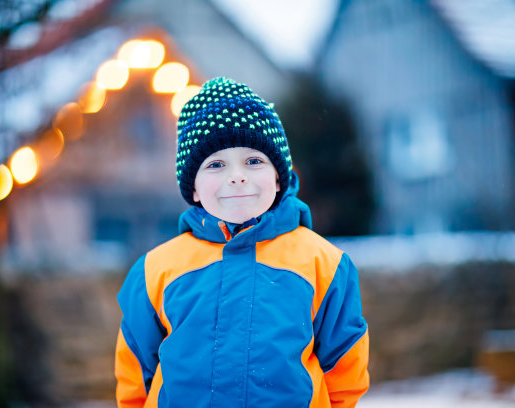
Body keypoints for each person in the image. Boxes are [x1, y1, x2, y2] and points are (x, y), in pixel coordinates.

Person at [114, 77, 369, 407]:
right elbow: (136, 370)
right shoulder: (154, 271)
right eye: (216, 164)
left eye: (253, 161)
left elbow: (344, 367)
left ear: (279, 178)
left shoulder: (325, 264)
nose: (237, 176)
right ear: (193, 188)